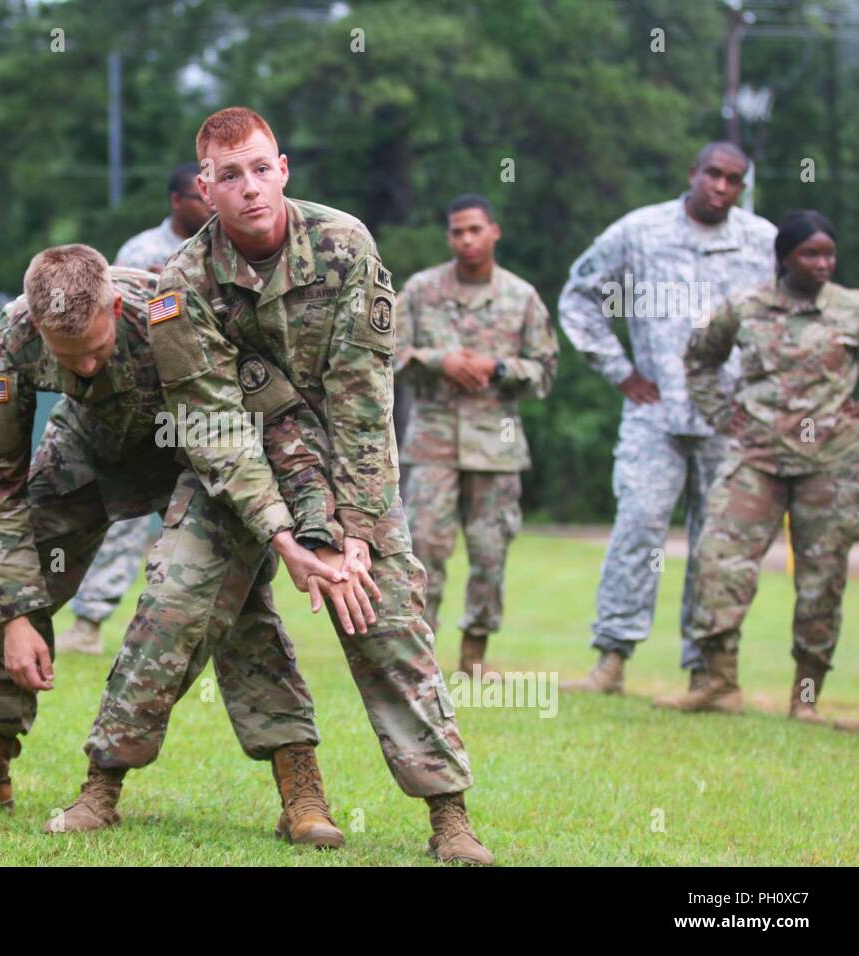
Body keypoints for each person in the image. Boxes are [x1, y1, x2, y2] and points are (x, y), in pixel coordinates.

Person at [49, 107, 492, 865]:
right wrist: (285, 539)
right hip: (237, 463)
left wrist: (351, 535)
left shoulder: (345, 245)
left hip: (347, 463)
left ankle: (449, 817)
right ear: (205, 187)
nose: (249, 188)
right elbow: (213, 425)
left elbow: (361, 400)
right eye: (229, 175)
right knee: (173, 604)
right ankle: (102, 786)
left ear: (282, 168)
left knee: (385, 620)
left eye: (260, 169)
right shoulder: (182, 282)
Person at [0, 246, 347, 848]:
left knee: (215, 603)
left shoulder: (175, 310)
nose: (84, 368)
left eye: (95, 348)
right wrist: (15, 613)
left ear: (114, 304)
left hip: (205, 455)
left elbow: (268, 420)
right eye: (69, 358)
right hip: (95, 446)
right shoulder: (16, 336)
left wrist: (303, 523)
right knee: (12, 567)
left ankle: (298, 790)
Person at [558, 141, 776, 694]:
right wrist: (620, 371)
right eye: (713, 175)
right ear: (693, 174)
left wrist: (767, 394)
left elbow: (790, 317)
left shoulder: (763, 242)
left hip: (732, 422)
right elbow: (580, 296)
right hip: (655, 414)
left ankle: (708, 667)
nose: (721, 187)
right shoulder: (640, 231)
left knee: (719, 544)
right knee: (638, 529)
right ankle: (611, 659)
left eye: (733, 179)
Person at [654, 211, 859, 732]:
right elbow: (698, 357)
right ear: (784, 258)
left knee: (823, 579)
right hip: (755, 459)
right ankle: (718, 685)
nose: (821, 264)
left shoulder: (850, 309)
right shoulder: (744, 307)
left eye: (828, 254)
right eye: (809, 254)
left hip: (829, 464)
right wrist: (723, 415)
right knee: (719, 560)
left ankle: (805, 699)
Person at [395, 193, 558, 676]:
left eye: (475, 230)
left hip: (497, 445)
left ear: (494, 232)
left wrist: (501, 367)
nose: (466, 240)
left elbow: (545, 371)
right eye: (457, 231)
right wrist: (437, 361)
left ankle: (474, 656)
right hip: (433, 442)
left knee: (490, 553)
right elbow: (388, 352)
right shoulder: (421, 290)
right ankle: (417, 656)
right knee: (424, 546)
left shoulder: (521, 296)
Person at [57, 164, 212, 655]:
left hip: (192, 404)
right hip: (138, 403)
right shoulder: (141, 252)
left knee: (196, 521)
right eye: (196, 196)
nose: (208, 203)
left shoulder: (223, 248)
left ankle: (184, 633)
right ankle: (88, 624)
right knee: (121, 520)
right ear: (174, 201)